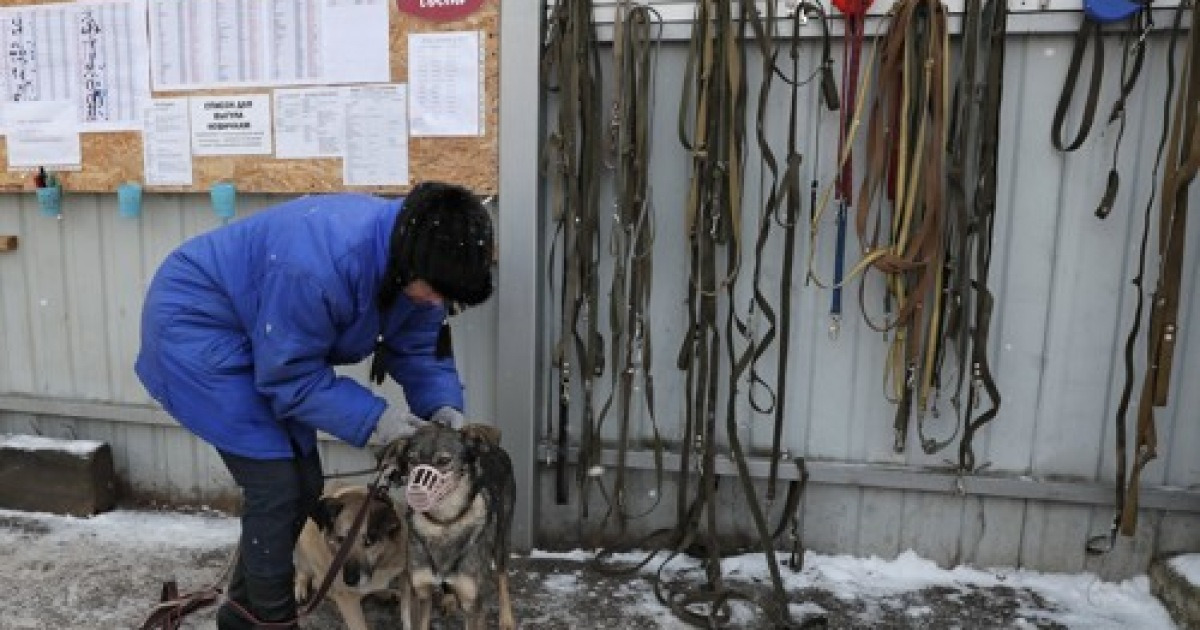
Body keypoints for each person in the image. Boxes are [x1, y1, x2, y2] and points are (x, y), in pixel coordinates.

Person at [134, 181, 494, 629]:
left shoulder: (420, 266)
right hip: (195, 328)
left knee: (306, 484)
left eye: (447, 296)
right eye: (435, 292)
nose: (438, 302)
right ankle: (272, 620)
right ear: (409, 260)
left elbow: (420, 350)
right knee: (276, 487)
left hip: (265, 342)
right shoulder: (321, 265)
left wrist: (444, 408)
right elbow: (289, 375)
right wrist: (378, 420)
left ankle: (240, 616)